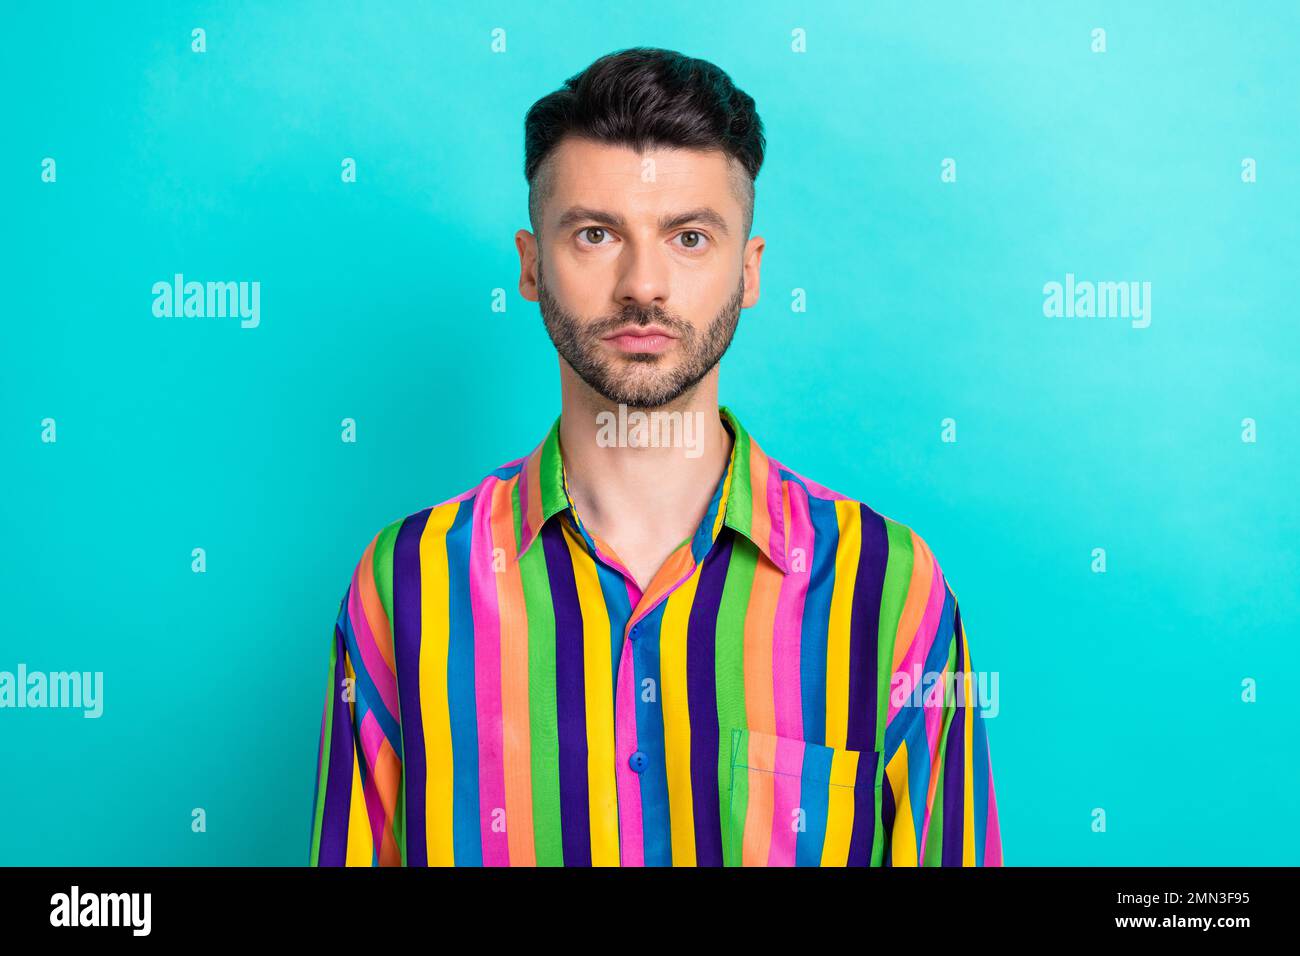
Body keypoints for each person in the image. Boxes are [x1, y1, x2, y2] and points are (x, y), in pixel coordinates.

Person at [308, 46, 1002, 867]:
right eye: (597, 234)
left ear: (749, 272)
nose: (644, 284)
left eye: (690, 237)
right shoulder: (408, 585)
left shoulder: (890, 589)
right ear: (532, 268)